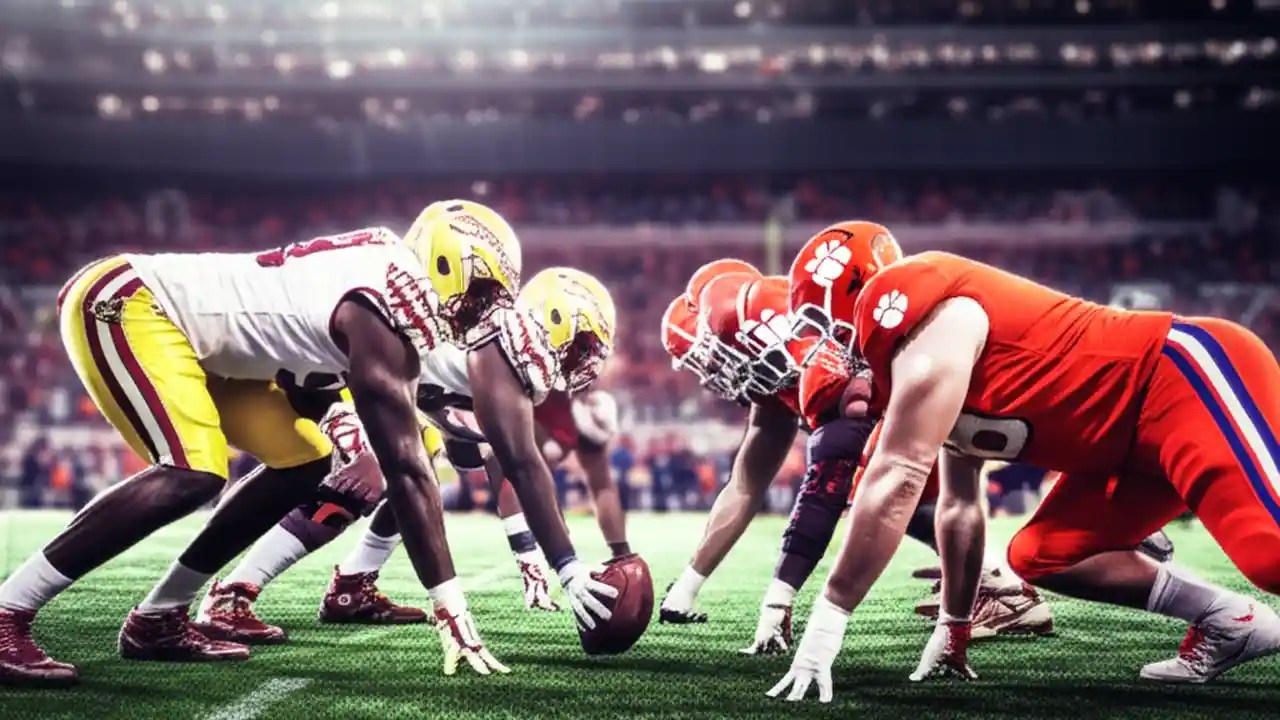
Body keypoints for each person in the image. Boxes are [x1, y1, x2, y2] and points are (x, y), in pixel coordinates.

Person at [770, 221, 1280, 702]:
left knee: (1270, 554)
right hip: (1122, 450)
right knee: (1041, 554)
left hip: (1177, 380)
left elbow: (900, 475)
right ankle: (1228, 621)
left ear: (858, 292)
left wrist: (829, 619)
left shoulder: (922, 312)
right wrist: (954, 626)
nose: (830, 352)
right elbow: (958, 507)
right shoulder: (921, 367)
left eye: (828, 329)